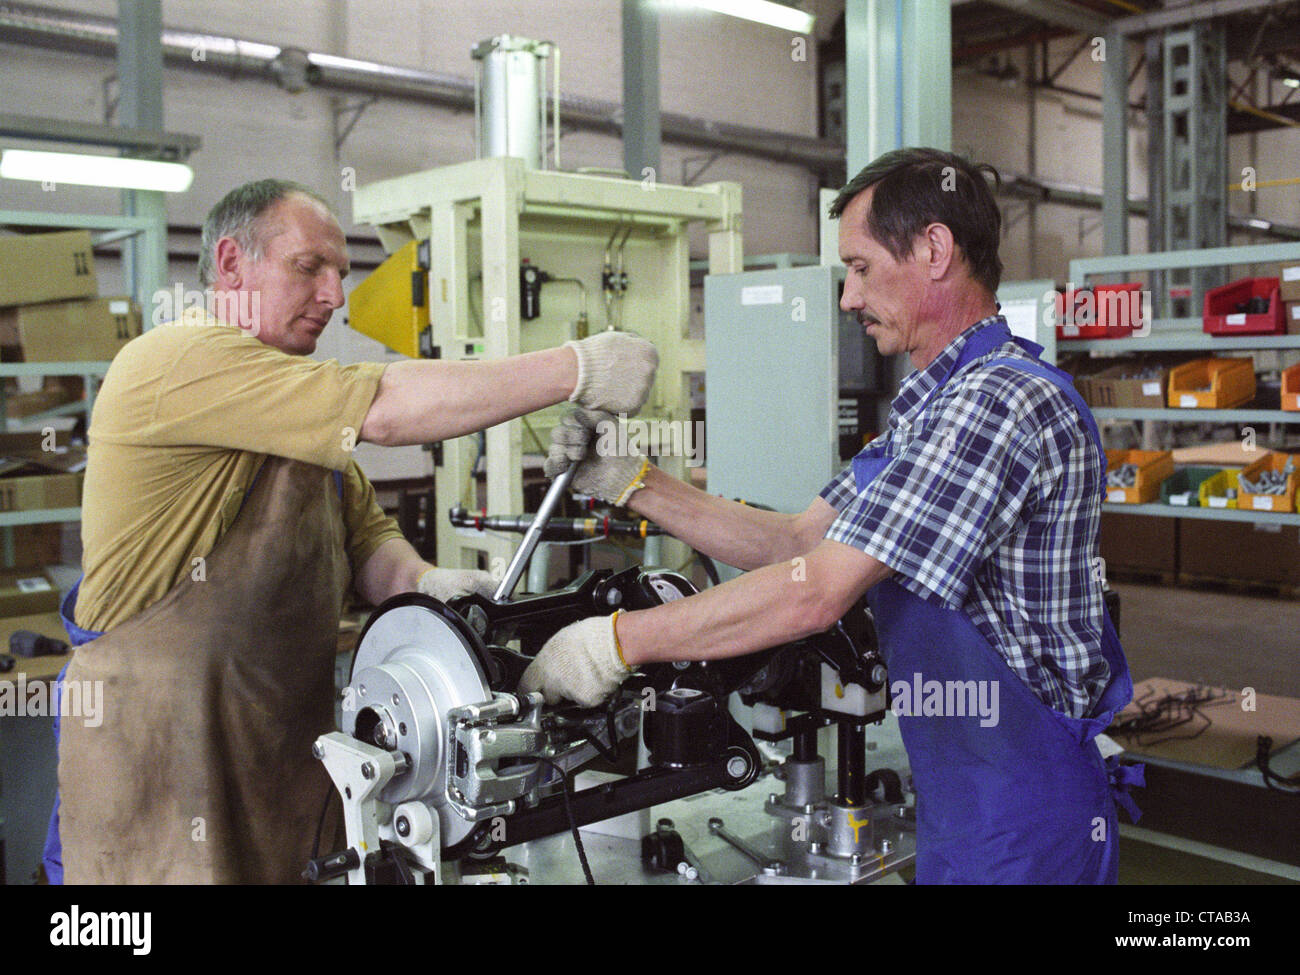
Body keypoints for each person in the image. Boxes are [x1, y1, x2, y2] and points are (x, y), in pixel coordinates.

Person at [521, 148, 1137, 885]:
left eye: (861, 266)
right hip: (968, 805)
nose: (847, 298)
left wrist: (615, 645)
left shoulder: (999, 402)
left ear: (935, 250)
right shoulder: (929, 410)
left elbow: (815, 590)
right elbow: (794, 540)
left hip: (1025, 819)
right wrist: (629, 480)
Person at [47, 178, 658, 884]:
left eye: (341, 273)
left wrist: (429, 582)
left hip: (274, 755)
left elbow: (369, 547)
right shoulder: (171, 361)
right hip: (156, 751)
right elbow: (387, 405)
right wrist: (573, 367)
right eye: (310, 267)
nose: (335, 296)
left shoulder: (294, 406)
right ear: (230, 263)